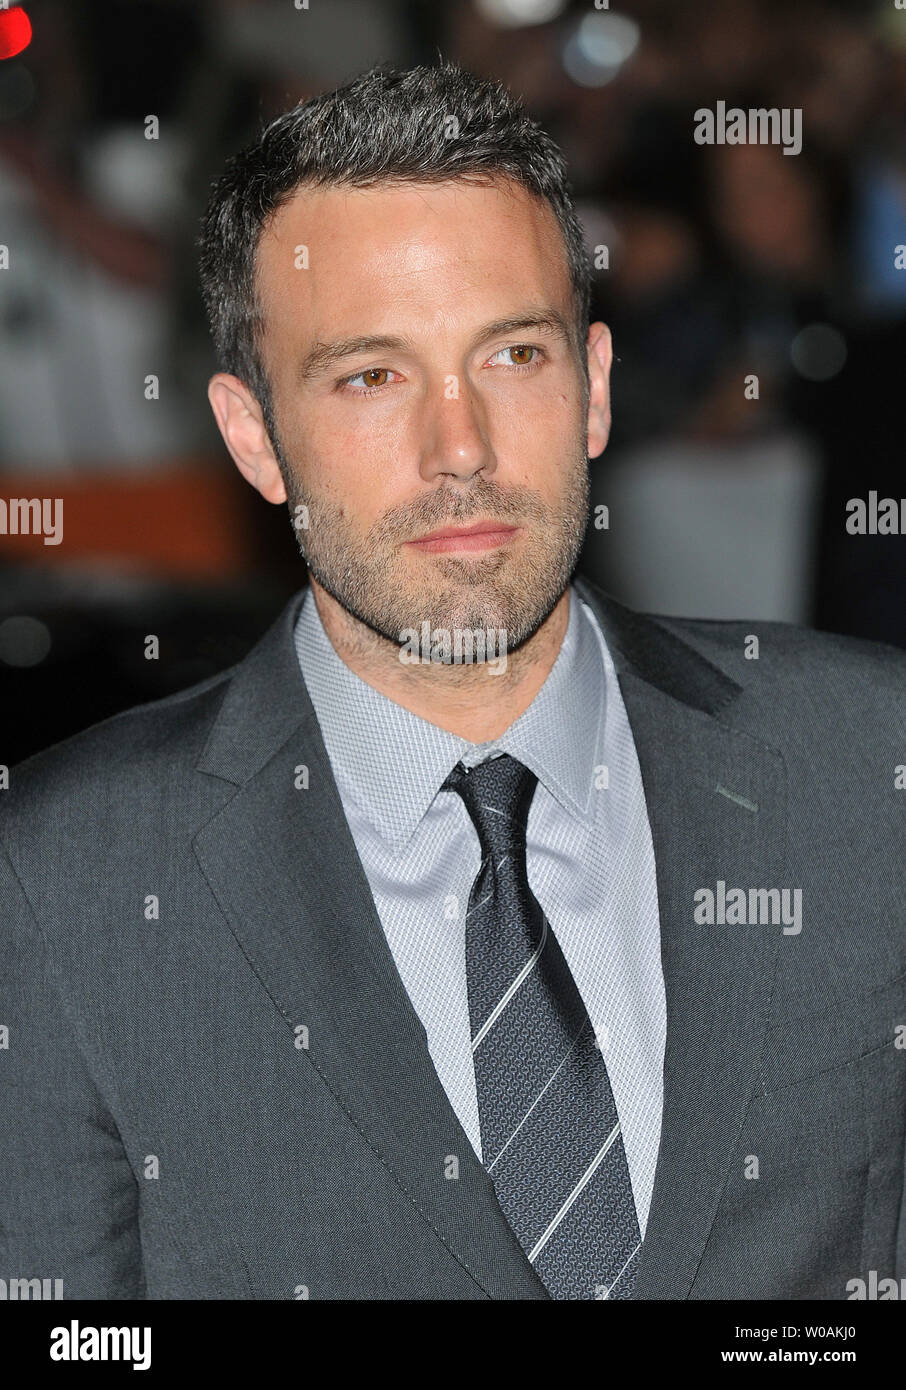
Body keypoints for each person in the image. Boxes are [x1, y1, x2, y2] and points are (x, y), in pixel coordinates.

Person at [1, 62, 904, 1302]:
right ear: (255, 436)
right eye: (371, 375)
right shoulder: (64, 882)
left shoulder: (871, 764)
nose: (460, 448)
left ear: (591, 388)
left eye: (512, 355)